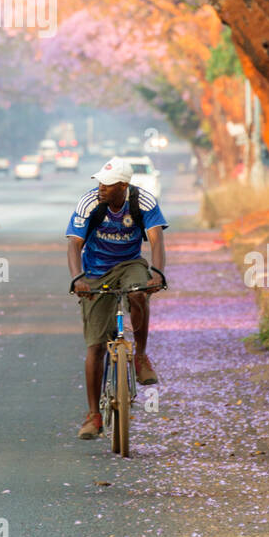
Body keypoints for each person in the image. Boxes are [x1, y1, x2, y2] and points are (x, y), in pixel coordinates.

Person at [66, 157, 168, 439]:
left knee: (137, 293)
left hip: (129, 265)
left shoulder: (143, 202)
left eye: (107, 185)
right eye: (99, 182)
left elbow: (157, 239)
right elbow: (74, 245)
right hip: (96, 271)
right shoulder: (90, 203)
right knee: (96, 347)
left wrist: (157, 273)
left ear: (123, 186)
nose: (101, 188)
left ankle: (141, 357)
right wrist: (79, 279)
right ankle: (93, 416)